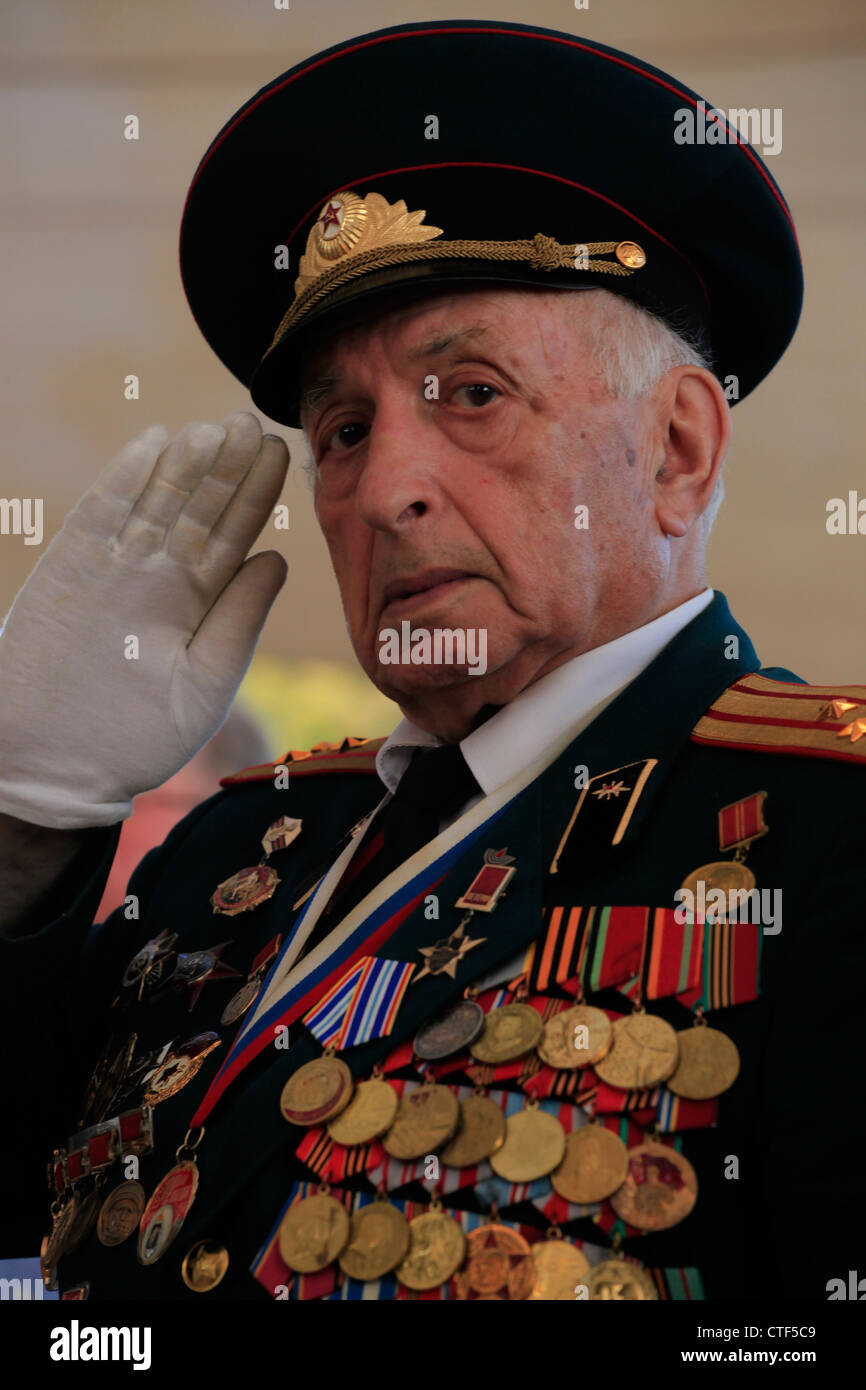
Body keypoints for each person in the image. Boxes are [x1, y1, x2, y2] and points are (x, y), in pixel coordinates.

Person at [0, 19, 862, 1303]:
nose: (382, 486)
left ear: (676, 453)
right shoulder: (231, 858)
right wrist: (21, 827)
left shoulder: (826, 841)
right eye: (342, 429)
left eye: (470, 393)